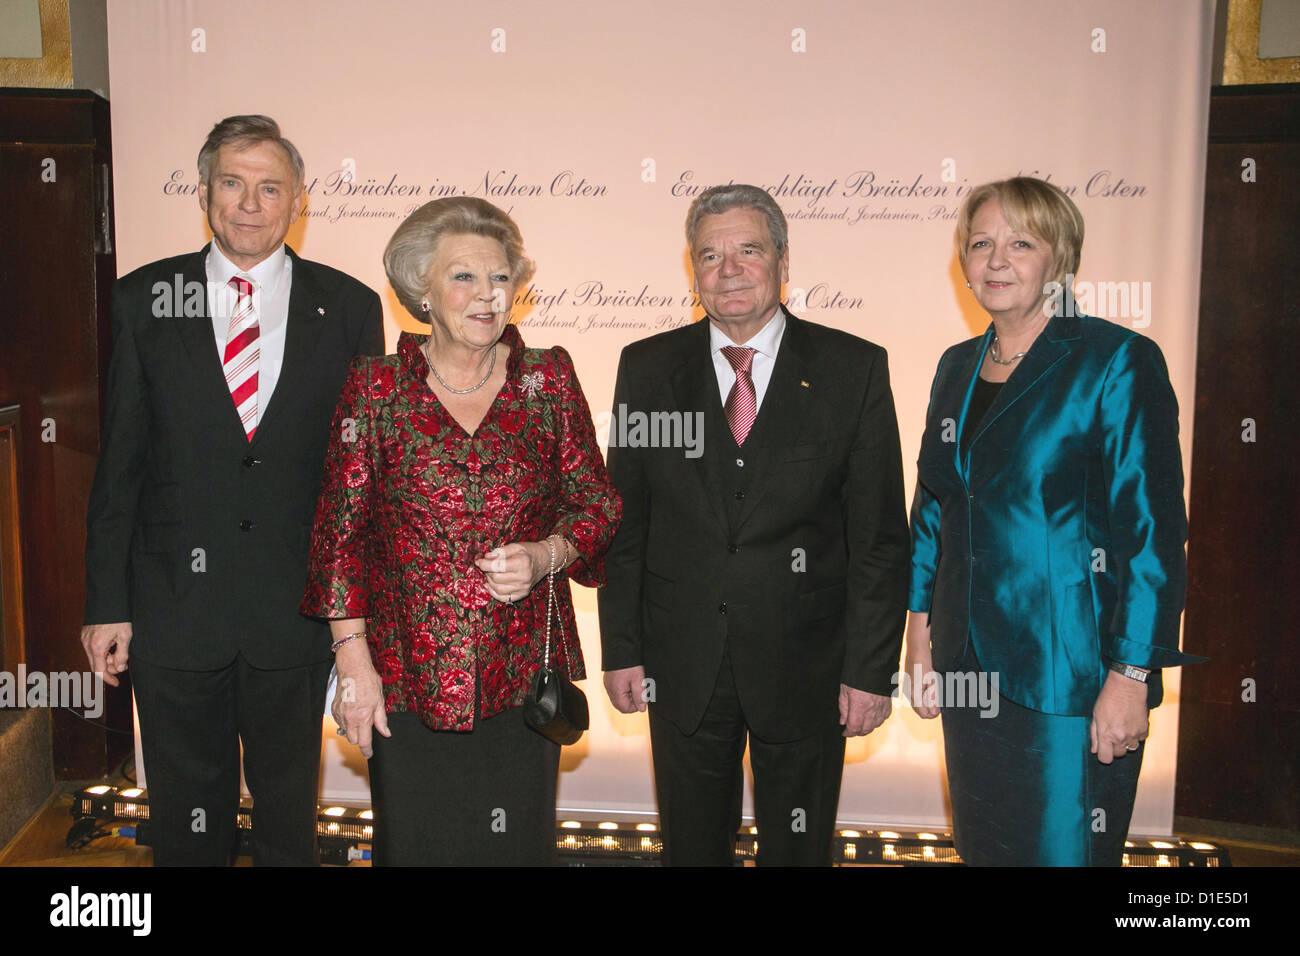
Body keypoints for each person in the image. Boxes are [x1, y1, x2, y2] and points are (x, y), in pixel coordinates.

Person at [81, 115, 385, 865]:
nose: (250, 203)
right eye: (232, 183)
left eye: (269, 187)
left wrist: (363, 624)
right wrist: (105, 605)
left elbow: (362, 481)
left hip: (296, 613)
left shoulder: (348, 307)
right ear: (205, 192)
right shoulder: (143, 299)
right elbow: (118, 463)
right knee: (187, 826)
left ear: (297, 200)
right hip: (173, 613)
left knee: (290, 822)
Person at [302, 196, 620, 866]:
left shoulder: (547, 379)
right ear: (422, 289)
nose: (487, 296)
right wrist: (353, 665)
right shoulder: (375, 389)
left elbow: (597, 505)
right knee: (416, 848)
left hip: (521, 681)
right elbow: (339, 538)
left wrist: (544, 555)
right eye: (464, 277)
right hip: (409, 679)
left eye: (500, 278)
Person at [599, 184, 910, 866]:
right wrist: (622, 647)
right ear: (692, 270)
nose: (729, 269)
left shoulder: (853, 369)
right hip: (682, 665)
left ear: (783, 259)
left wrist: (869, 669)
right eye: (709, 255)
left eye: (748, 249)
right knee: (692, 851)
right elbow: (625, 522)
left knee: (798, 853)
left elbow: (880, 538)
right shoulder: (648, 369)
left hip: (810, 667)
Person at [904, 176, 1201, 866]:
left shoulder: (1116, 360)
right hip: (967, 672)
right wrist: (920, 639)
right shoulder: (955, 367)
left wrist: (1131, 675)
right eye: (980, 244)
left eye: (1020, 242)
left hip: (1072, 678)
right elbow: (934, 513)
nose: (996, 260)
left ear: (1060, 257)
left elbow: (1153, 537)